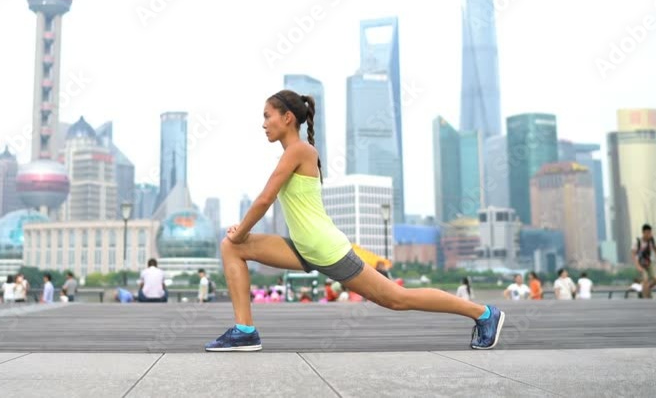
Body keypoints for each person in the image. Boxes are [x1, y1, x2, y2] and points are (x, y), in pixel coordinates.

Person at [206, 90, 504, 352]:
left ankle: (484, 313)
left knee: (396, 298)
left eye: (267, 116)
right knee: (233, 248)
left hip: (325, 248)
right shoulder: (293, 153)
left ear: (286, 118)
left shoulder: (299, 151)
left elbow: (264, 199)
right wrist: (239, 237)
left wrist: (241, 231)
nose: (263, 123)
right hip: (303, 246)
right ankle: (245, 331)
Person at [632, 224, 656, 298]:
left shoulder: (652, 240)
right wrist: (637, 266)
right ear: (643, 232)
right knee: (645, 279)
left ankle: (644, 289)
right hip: (641, 263)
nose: (649, 234)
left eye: (650, 232)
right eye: (647, 233)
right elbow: (633, 254)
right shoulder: (637, 241)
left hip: (650, 262)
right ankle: (646, 298)